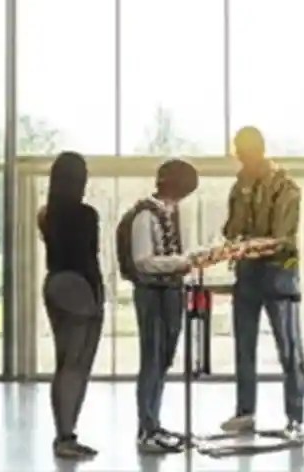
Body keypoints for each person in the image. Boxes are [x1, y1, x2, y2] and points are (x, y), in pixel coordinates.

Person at [219, 126, 304, 443]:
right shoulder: (239, 185)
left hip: (279, 273)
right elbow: (231, 230)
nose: (243, 161)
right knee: (244, 345)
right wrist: (240, 214)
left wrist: (250, 243)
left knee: (289, 348)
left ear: (260, 150)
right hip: (247, 273)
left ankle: (295, 419)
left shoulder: (285, 187)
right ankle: (245, 412)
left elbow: (282, 237)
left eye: (247, 154)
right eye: (239, 155)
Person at [118, 158, 202, 454]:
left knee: (164, 357)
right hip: (152, 292)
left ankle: (154, 422)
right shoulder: (145, 215)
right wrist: (181, 263)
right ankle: (146, 428)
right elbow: (143, 261)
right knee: (152, 358)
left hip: (171, 291)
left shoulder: (170, 212)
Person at [38, 152, 103, 460]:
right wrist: (97, 297)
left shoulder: (46, 214)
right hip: (80, 286)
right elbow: (90, 258)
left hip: (55, 282)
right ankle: (67, 436)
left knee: (64, 363)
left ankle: (63, 434)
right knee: (77, 365)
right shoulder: (87, 215)